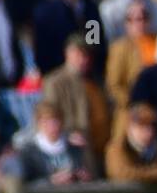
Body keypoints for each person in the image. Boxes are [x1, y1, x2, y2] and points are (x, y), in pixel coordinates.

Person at [42, 34, 110, 172]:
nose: (84, 59)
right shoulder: (55, 82)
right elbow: (49, 115)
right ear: (68, 53)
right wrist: (66, 134)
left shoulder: (96, 81)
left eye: (87, 55)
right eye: (79, 54)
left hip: (100, 144)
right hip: (74, 146)